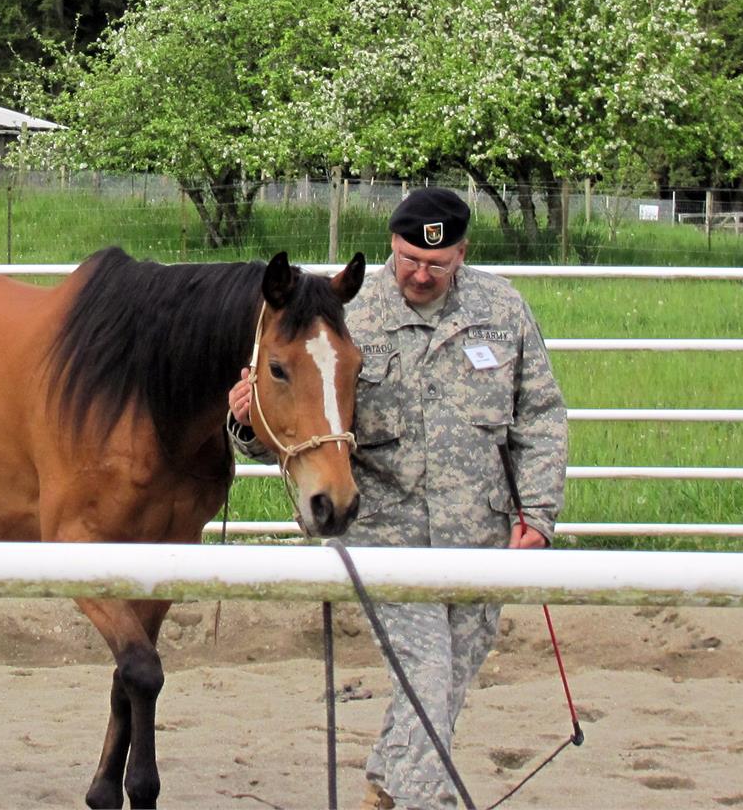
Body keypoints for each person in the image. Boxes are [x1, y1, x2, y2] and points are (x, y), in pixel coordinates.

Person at [228, 187, 568, 810]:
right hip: (386, 532)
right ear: (392, 244)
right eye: (410, 258)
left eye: (437, 263)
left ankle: (386, 786)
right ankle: (422, 802)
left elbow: (540, 415)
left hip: (481, 534)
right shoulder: (344, 312)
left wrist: (539, 514)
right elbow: (296, 424)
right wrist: (247, 425)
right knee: (428, 677)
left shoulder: (503, 309)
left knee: (449, 678)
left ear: (462, 253)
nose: (420, 273)